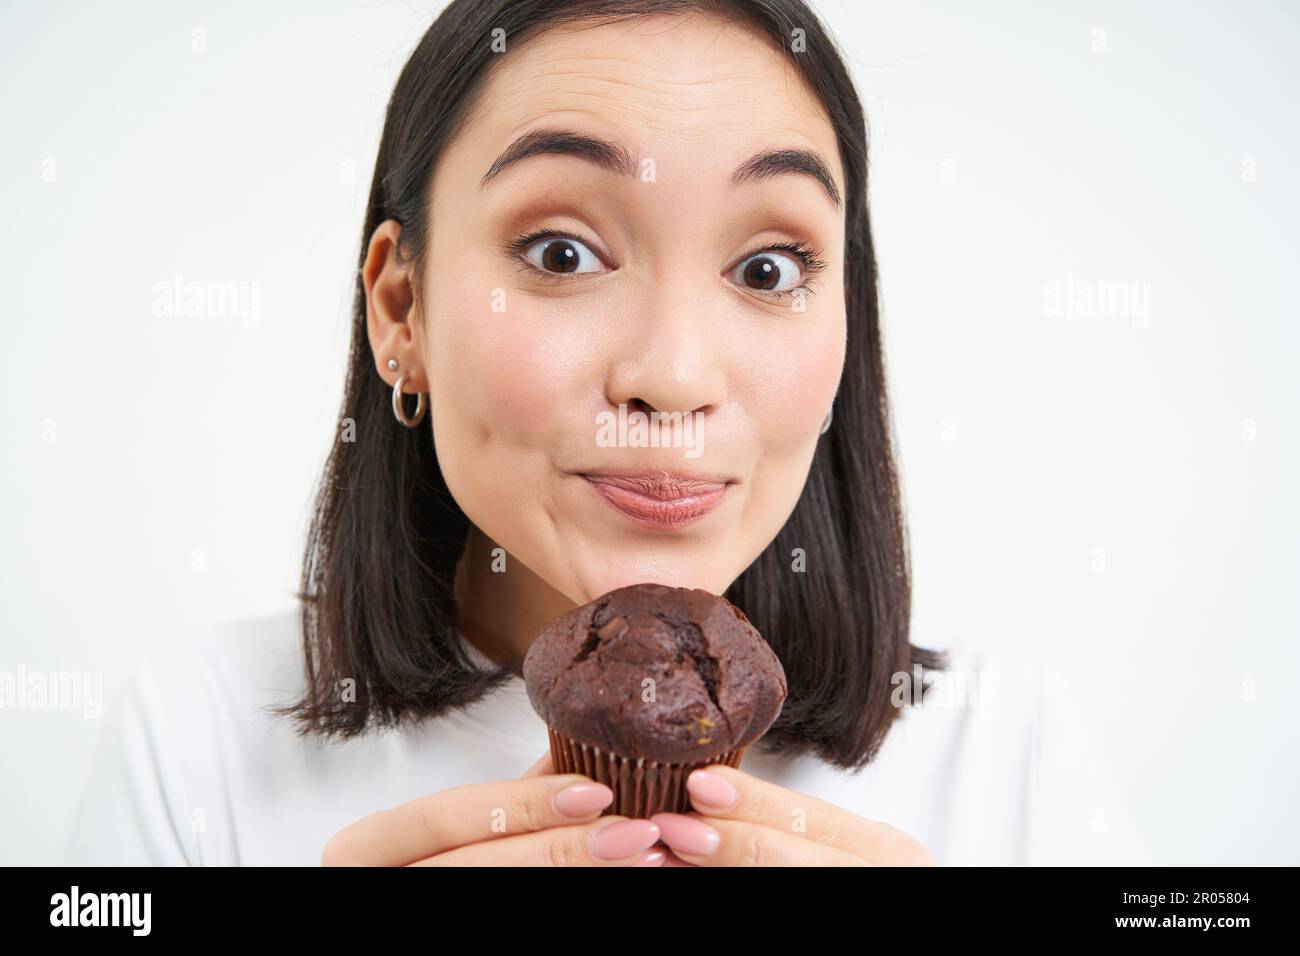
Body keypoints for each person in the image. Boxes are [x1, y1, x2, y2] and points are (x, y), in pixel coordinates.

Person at [65, 0, 1151, 866]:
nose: (671, 373)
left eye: (767, 268)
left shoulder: (1002, 737)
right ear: (402, 310)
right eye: (560, 252)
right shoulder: (198, 730)